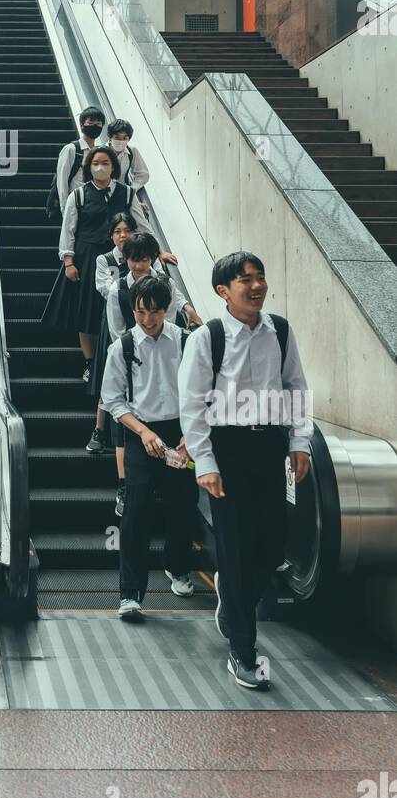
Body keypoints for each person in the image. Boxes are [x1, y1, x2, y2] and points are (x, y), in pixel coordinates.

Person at [178, 251, 313, 691]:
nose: (257, 286)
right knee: (235, 550)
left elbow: (296, 388)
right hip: (228, 450)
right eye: (245, 280)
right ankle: (243, 650)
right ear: (223, 291)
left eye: (260, 276)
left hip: (270, 444)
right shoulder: (208, 338)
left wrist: (298, 442)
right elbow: (193, 405)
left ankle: (231, 602)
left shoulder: (281, 331)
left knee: (274, 545)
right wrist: (206, 463)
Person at [101, 275, 200, 622]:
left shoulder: (187, 343)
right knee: (136, 510)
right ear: (134, 309)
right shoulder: (123, 347)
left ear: (167, 309)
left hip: (181, 432)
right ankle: (130, 592)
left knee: (183, 506)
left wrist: (190, 436)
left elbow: (203, 393)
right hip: (140, 434)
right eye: (141, 312)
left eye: (155, 312)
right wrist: (143, 433)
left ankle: (177, 567)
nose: (148, 320)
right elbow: (113, 400)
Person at [41, 146, 174, 382]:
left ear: (114, 166)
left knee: (123, 306)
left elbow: (141, 224)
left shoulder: (126, 193)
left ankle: (125, 356)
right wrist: (69, 261)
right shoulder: (79, 195)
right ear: (88, 167)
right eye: (95, 163)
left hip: (125, 257)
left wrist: (159, 251)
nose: (100, 167)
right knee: (87, 312)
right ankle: (91, 362)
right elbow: (68, 228)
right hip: (87, 258)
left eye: (105, 163)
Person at [85, 211, 136, 456]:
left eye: (127, 230)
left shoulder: (145, 256)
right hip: (114, 323)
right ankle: (99, 429)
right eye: (118, 231)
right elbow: (104, 288)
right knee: (110, 377)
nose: (123, 235)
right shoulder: (104, 260)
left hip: (141, 321)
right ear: (111, 235)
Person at [47, 106, 106, 220]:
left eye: (98, 123)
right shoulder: (71, 149)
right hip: (74, 205)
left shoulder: (100, 152)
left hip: (92, 206)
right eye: (91, 122)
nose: (95, 125)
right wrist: (65, 211)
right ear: (82, 125)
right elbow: (62, 181)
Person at [105, 119, 151, 212]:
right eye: (117, 137)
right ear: (109, 136)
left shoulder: (131, 151)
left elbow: (143, 174)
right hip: (103, 196)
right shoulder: (101, 152)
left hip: (123, 193)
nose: (121, 141)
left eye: (125, 138)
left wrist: (130, 192)